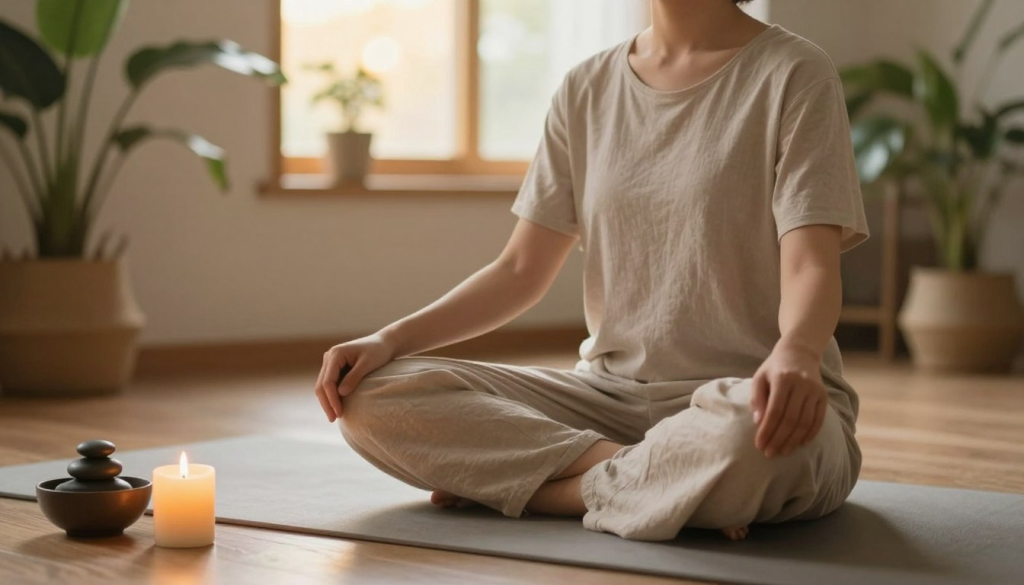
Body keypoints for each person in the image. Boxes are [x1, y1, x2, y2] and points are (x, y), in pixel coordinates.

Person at [314, 0, 868, 542]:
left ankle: (552, 491)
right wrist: (388, 340)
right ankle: (661, 482)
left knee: (749, 444)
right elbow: (519, 269)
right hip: (604, 403)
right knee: (368, 397)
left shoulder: (795, 72)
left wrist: (795, 353)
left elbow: (809, 261)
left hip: (751, 400)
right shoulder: (585, 88)